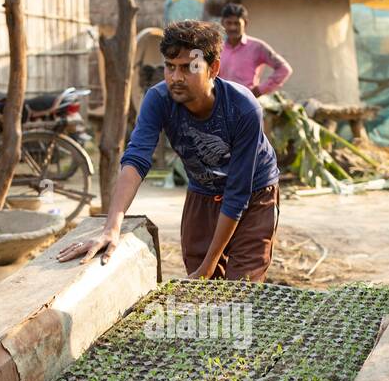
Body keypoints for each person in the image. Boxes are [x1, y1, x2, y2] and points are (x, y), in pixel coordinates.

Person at [58, 19, 280, 281]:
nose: (176, 78)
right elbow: (136, 158)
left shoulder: (243, 108)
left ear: (213, 69)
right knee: (200, 280)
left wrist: (209, 266)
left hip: (253, 194)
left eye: (188, 68)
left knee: (240, 284)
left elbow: (237, 193)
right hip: (203, 191)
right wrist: (112, 227)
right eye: (170, 67)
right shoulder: (159, 99)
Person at [217, 3, 292, 98]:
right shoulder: (218, 48)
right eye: (229, 23)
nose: (233, 27)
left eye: (237, 23)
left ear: (245, 23)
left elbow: (284, 69)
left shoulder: (257, 47)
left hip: (247, 103)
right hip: (223, 103)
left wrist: (260, 90)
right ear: (222, 23)